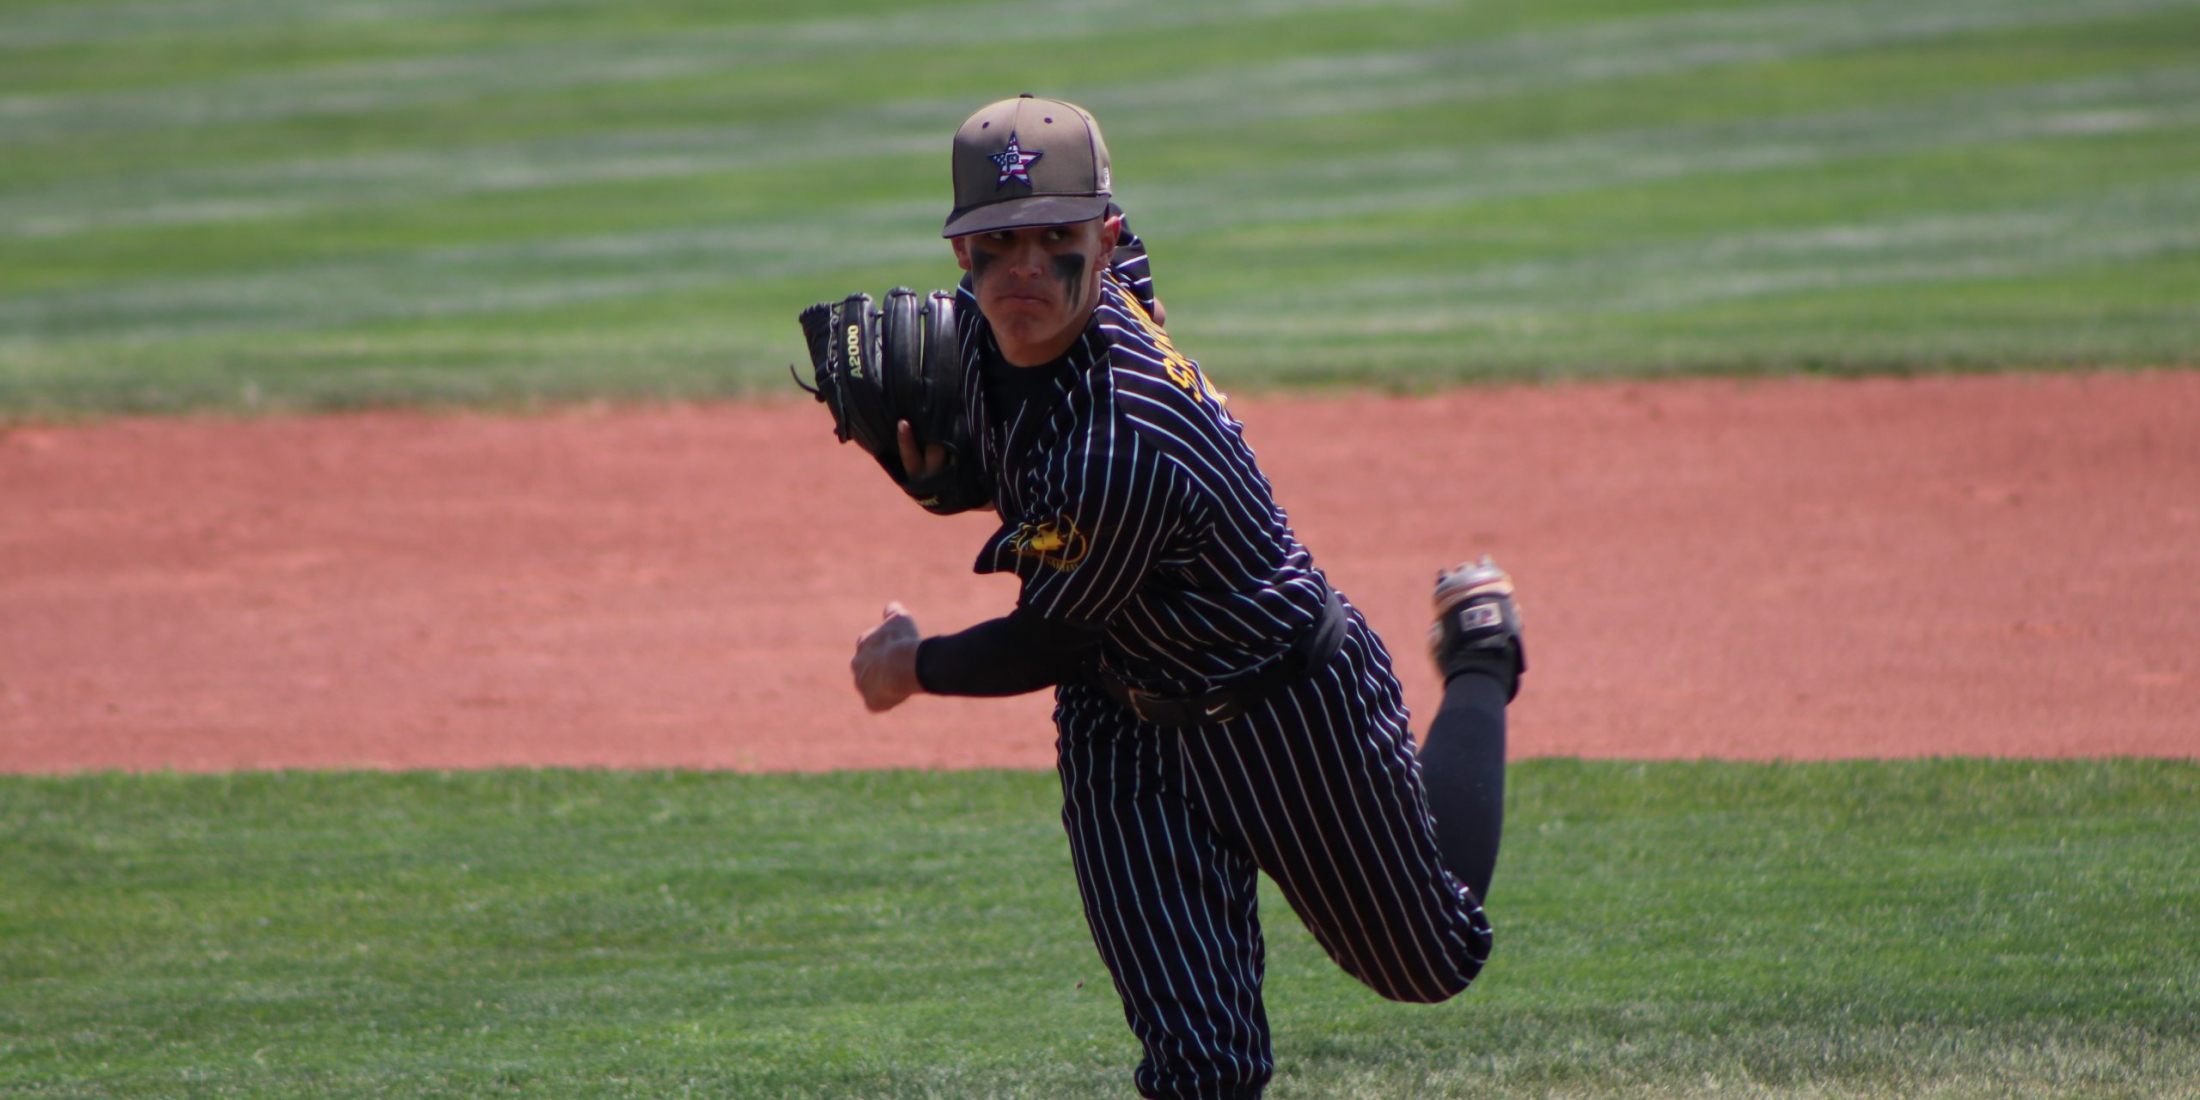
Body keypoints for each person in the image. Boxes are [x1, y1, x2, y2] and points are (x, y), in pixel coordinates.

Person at [848, 94, 1524, 1100]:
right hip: (1121, 726)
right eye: (995, 242)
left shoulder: (1126, 439)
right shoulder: (1073, 297)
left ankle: (1481, 658)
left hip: (1284, 702)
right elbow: (1024, 465)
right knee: (1200, 1069)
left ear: (1102, 236)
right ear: (960, 254)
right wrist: (949, 463)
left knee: (1429, 961)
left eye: (1053, 238)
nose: (1022, 265)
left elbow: (1048, 638)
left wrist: (913, 663)